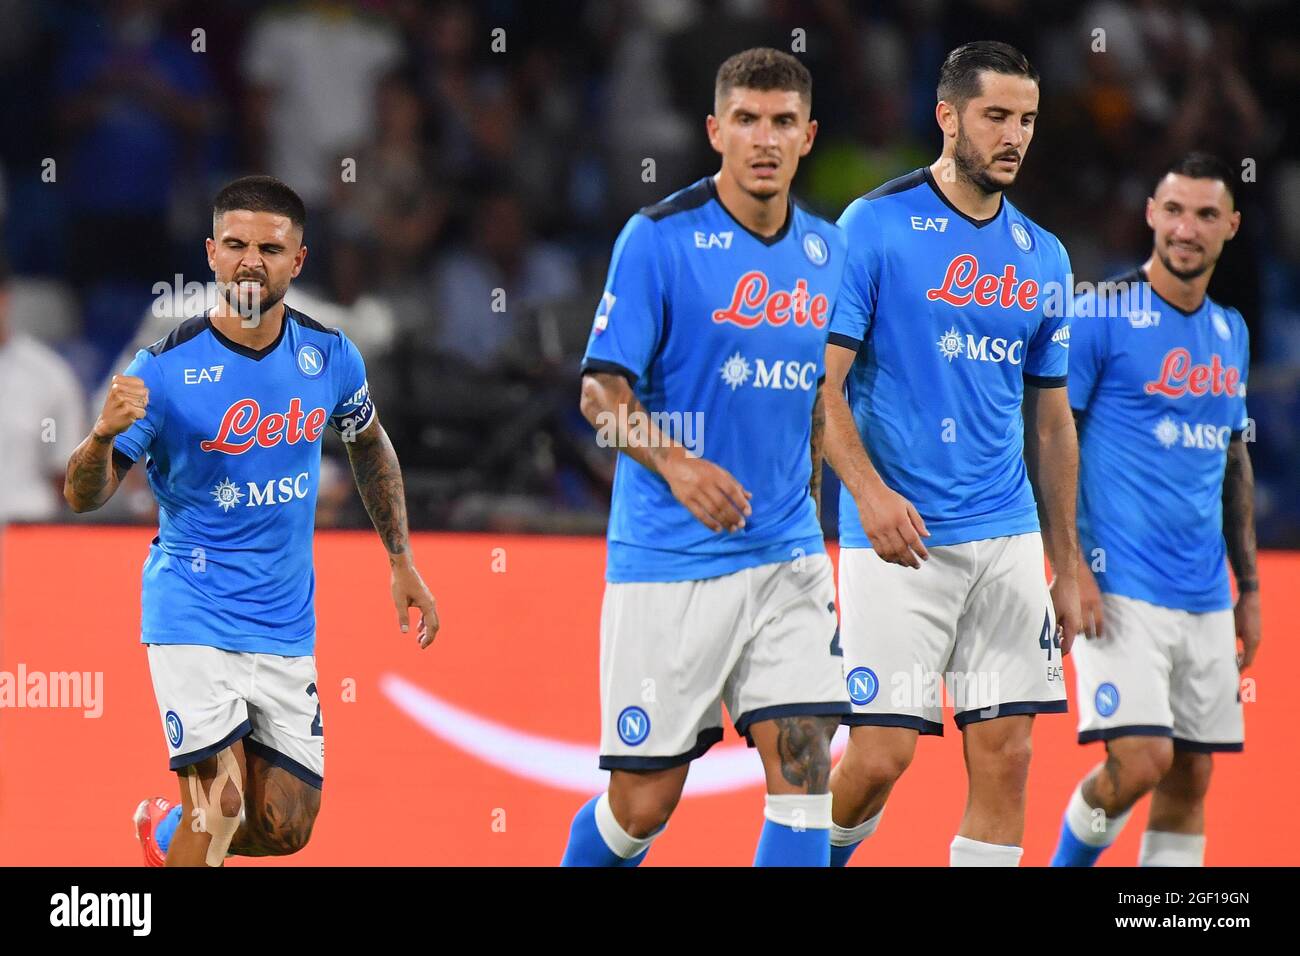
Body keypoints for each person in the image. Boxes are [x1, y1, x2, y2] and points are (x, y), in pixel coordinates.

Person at [63, 175, 440, 866]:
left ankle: (166, 835)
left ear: (297, 262)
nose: (250, 261)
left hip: (285, 624)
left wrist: (400, 559)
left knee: (285, 825)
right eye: (235, 244)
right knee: (223, 804)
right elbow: (84, 495)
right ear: (210, 254)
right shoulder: (165, 367)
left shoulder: (330, 356)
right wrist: (97, 438)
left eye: (270, 247)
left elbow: (367, 441)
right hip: (193, 608)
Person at [560, 48, 850, 867]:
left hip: (787, 553)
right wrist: (679, 465)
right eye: (748, 121)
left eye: (783, 123)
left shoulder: (830, 257)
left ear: (808, 137)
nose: (765, 139)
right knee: (642, 806)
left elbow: (818, 410)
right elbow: (598, 400)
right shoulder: (657, 240)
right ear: (716, 130)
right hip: (670, 562)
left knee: (803, 765)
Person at [823, 41, 1080, 867]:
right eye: (996, 116)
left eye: (1029, 121)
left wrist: (1066, 563)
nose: (1015, 136)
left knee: (1008, 757)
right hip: (897, 539)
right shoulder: (873, 226)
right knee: (879, 759)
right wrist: (865, 493)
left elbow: (1051, 422)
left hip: (1005, 535)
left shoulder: (1044, 256)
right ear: (947, 116)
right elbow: (816, 390)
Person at [1050, 153, 1259, 867]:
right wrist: (1069, 563)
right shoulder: (1101, 312)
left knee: (1191, 776)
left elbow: (1233, 461)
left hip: (1203, 593)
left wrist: (1250, 589)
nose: (1186, 228)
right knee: (1141, 761)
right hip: (1118, 587)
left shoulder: (1231, 331)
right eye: (1174, 210)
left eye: (1205, 215)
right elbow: (1051, 437)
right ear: (1150, 214)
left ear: (1230, 225)